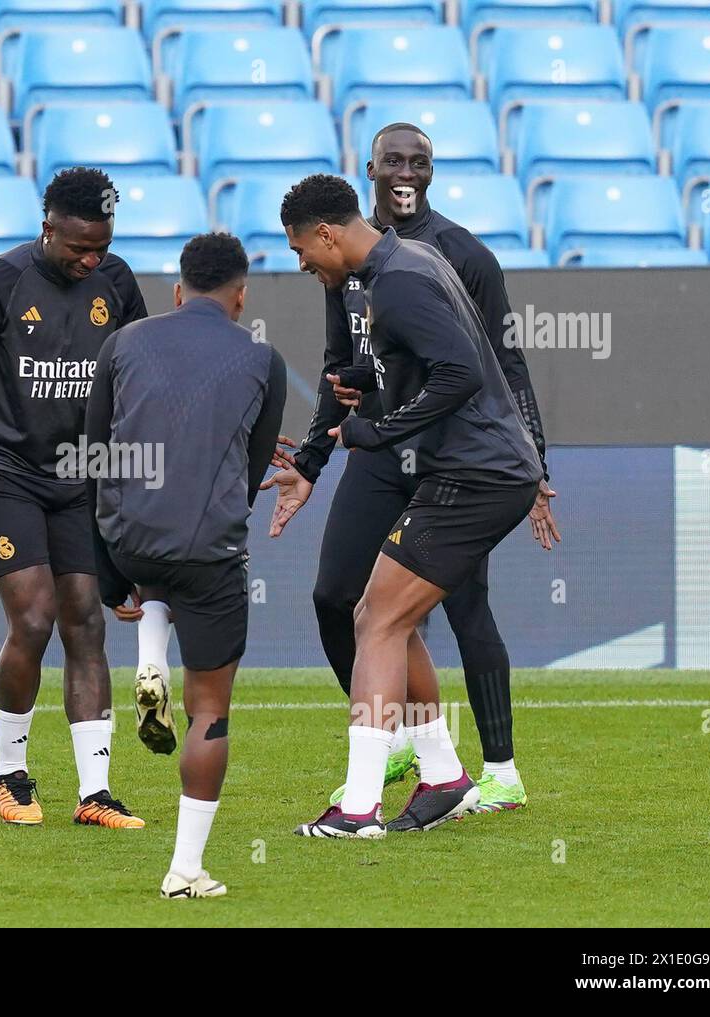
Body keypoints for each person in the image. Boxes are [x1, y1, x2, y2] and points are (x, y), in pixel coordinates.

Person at [274, 126, 559, 813]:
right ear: (370, 170)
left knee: (436, 609)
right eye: (395, 160)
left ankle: (479, 772)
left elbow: (486, 367)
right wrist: (317, 453)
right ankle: (429, 763)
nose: (406, 170)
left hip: (458, 458)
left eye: (419, 161)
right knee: (353, 600)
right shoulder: (364, 267)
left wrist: (536, 462)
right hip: (404, 452)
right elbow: (345, 364)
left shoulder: (446, 260)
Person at [0, 167, 149, 829]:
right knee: (34, 615)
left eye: (101, 247)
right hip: (1, 468)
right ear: (47, 226)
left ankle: (95, 792)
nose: (91, 259)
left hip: (81, 475)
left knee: (87, 616)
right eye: (79, 246)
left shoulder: (118, 284)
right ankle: (10, 773)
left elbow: (138, 388)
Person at [88, 233, 285, 895]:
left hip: (129, 539)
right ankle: (185, 868)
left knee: (156, 558)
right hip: (210, 551)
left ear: (178, 290)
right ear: (240, 296)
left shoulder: (123, 342)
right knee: (210, 710)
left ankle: (149, 650)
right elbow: (256, 466)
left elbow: (96, 450)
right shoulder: (262, 357)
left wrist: (109, 566)